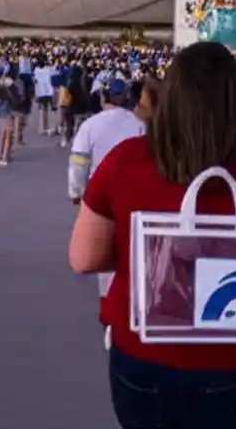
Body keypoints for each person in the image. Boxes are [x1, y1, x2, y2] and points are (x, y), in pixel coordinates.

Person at [68, 42, 236, 429]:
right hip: (231, 357)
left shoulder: (127, 160)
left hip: (143, 350)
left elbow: (83, 257)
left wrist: (150, 252)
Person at [68, 77, 146, 350]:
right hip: (136, 196)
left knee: (105, 262)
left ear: (104, 97)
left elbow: (78, 162)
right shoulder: (139, 125)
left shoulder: (91, 125)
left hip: (100, 198)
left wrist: (76, 194)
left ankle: (110, 319)